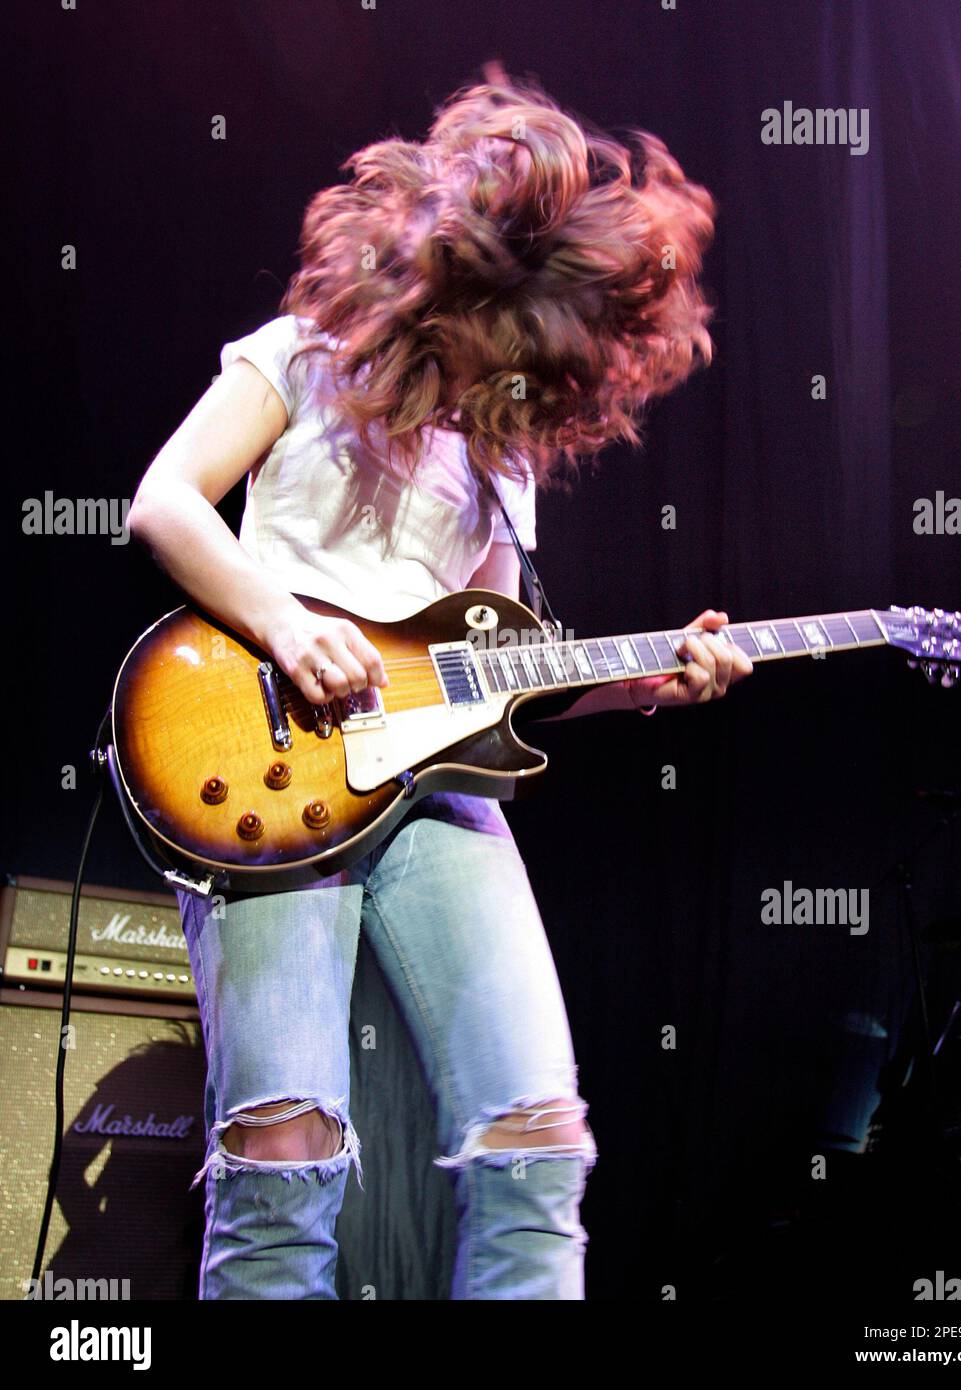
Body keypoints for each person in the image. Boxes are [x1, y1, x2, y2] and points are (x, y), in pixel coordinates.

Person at [126, 64, 753, 1301]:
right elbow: (163, 501)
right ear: (452, 283)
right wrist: (287, 623)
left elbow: (485, 676)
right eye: (495, 346)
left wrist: (645, 687)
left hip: (430, 794)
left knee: (537, 1142)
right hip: (266, 760)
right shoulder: (301, 360)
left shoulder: (498, 461)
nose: (500, 381)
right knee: (282, 1159)